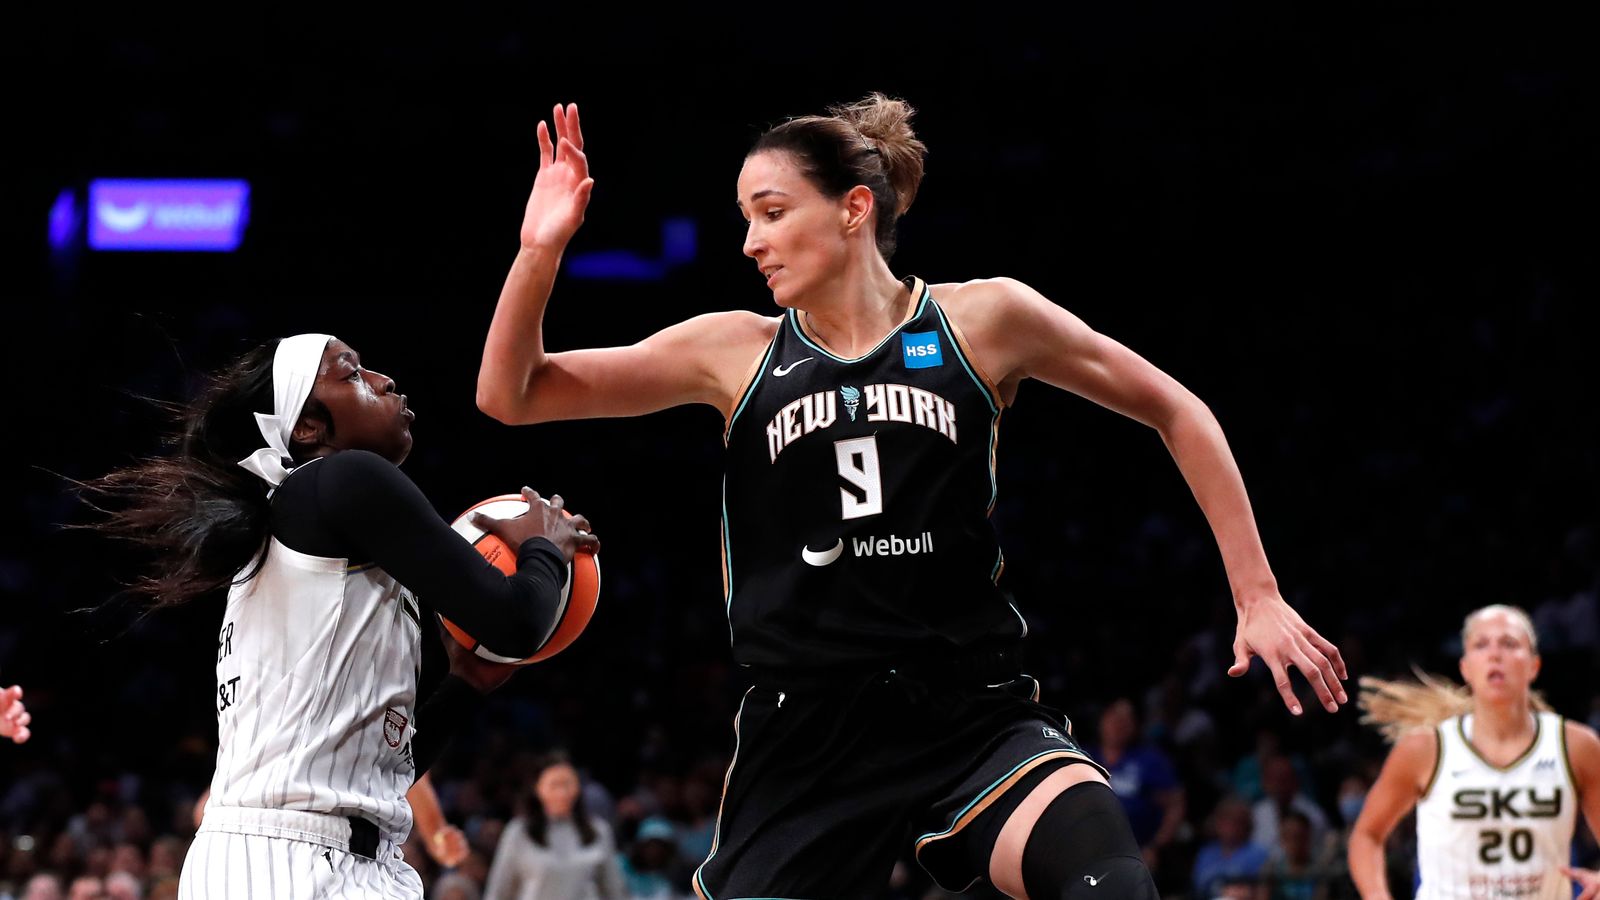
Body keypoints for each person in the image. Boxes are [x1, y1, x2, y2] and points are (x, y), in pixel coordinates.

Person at [478, 96, 1347, 899]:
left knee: (1108, 880)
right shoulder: (733, 351)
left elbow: (1176, 408)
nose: (750, 242)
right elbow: (512, 394)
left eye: (772, 213)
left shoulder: (983, 321)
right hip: (807, 733)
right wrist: (540, 249)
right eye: (746, 218)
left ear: (855, 209)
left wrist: (1258, 593)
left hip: (970, 709)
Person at [86, 335, 598, 898]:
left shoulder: (302, 536)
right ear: (307, 427)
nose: (384, 380)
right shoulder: (345, 478)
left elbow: (379, 769)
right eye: (351, 374)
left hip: (284, 858)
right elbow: (517, 621)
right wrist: (543, 544)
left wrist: (466, 684)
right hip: (300, 862)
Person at [1347, 604, 1600, 899]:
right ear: (1465, 667)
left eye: (1509, 644)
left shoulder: (1575, 746)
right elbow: (1367, 835)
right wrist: (1377, 895)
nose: (1495, 654)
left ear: (1534, 665)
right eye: (1481, 644)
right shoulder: (1426, 749)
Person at [481, 752, 625, 900]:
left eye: (567, 784)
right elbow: (498, 892)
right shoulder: (519, 832)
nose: (562, 793)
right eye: (554, 785)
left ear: (577, 787)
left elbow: (614, 891)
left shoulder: (598, 830)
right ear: (538, 789)